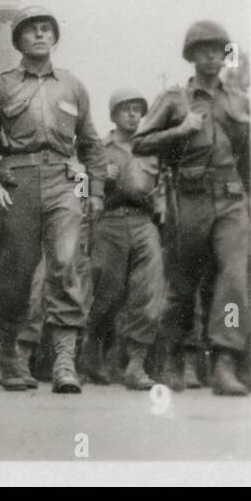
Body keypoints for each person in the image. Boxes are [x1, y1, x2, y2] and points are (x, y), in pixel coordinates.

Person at [0, 5, 106, 393]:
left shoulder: (73, 86)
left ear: (55, 36)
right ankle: (10, 355)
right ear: (19, 40)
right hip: (18, 185)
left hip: (64, 182)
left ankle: (65, 361)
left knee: (65, 264)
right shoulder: (1, 86)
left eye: (46, 29)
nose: (40, 35)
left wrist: (94, 192)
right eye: (31, 30)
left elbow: (91, 144)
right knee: (15, 273)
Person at [132, 21, 250, 396]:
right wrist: (180, 130)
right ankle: (174, 357)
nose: (212, 56)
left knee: (233, 276)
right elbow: (140, 143)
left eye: (217, 49)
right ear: (192, 56)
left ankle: (225, 361)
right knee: (183, 282)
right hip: (189, 197)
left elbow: (250, 152)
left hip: (231, 197)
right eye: (203, 49)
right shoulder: (174, 99)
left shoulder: (237, 99)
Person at [80, 88, 165, 390]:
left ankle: (136, 365)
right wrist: (98, 178)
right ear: (114, 115)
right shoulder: (99, 148)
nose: (132, 114)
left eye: (137, 109)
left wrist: (162, 205)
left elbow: (162, 184)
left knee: (149, 289)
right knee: (108, 292)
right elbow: (78, 188)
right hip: (110, 222)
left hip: (144, 222)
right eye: (126, 109)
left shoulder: (151, 149)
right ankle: (92, 351)